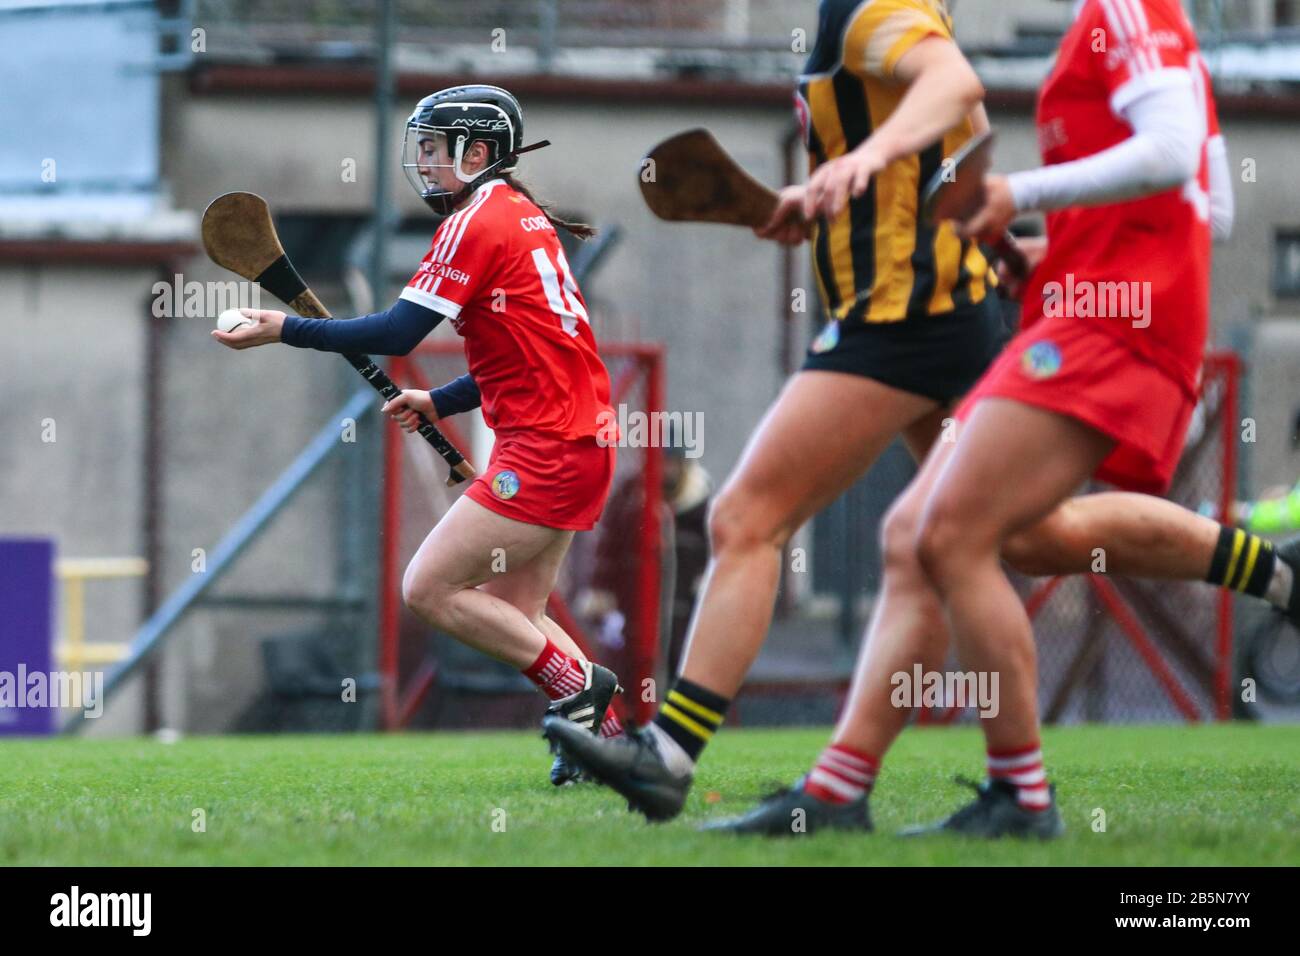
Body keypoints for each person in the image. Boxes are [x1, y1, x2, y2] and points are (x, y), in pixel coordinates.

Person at [544, 0, 1300, 826]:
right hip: (949, 304)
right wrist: (850, 192)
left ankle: (672, 755)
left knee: (750, 518)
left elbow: (960, 88)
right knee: (1005, 537)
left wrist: (910, 173)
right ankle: (1273, 571)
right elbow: (965, 132)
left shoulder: (894, 7)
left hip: (903, 316)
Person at [213, 84, 624, 785]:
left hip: (549, 446)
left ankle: (580, 691)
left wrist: (287, 329)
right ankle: (612, 746)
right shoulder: (521, 216)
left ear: (480, 152)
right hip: (576, 439)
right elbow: (534, 352)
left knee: (429, 588)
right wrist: (442, 398)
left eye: (435, 148)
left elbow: (398, 330)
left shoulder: (477, 222)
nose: (424, 162)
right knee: (518, 611)